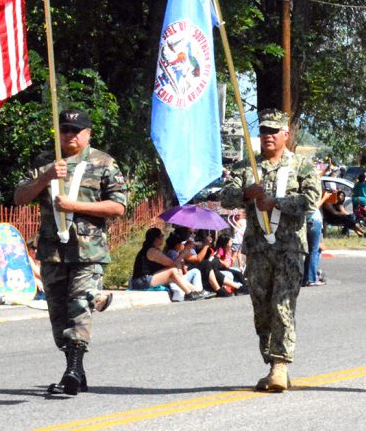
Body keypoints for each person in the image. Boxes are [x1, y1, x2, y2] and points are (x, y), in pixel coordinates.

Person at [13, 109, 126, 396]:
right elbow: (19, 197)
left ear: (88, 134)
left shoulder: (103, 163)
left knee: (79, 306)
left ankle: (73, 370)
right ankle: (77, 371)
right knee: (60, 315)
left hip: (88, 251)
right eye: (65, 130)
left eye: (76, 130)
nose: (70, 135)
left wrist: (76, 206)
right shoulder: (45, 162)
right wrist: (46, 177)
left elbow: (117, 207)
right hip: (52, 251)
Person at [221, 109, 321, 393]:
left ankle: (280, 363)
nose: (267, 136)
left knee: (282, 305)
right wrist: (245, 194)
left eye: (274, 131)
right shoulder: (246, 167)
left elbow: (311, 200)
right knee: (262, 309)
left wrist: (275, 202)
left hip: (289, 248)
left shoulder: (301, 165)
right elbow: (225, 197)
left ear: (286, 135)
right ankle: (272, 362)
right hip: (258, 249)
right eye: (264, 131)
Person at [132, 228, 208, 301]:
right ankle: (189, 293)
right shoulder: (152, 252)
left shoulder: (153, 249)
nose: (163, 238)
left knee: (173, 275)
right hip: (142, 281)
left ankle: (197, 291)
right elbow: (173, 264)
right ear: (156, 239)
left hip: (145, 279)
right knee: (172, 271)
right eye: (162, 236)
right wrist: (185, 251)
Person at [304, 189, 331, 287]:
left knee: (310, 250)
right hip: (313, 220)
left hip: (307, 220)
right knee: (314, 250)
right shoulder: (310, 190)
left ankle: (306, 277)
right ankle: (311, 278)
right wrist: (324, 198)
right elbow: (313, 207)